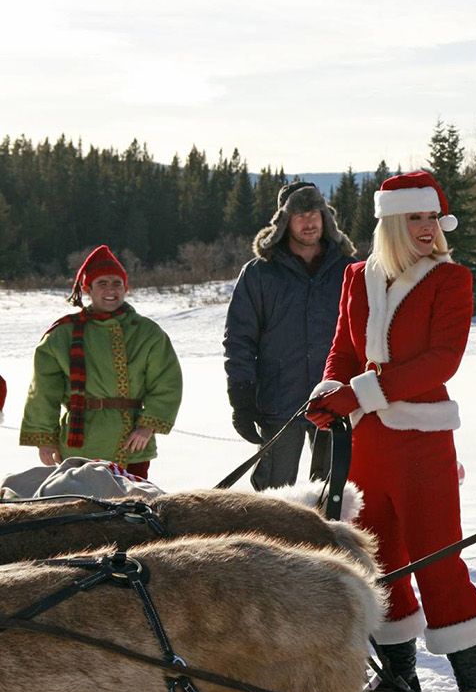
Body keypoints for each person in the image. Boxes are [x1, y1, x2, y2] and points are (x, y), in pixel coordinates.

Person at [305, 170, 476, 692]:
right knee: (377, 560)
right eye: (416, 218)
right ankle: (398, 680)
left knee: (438, 559)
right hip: (367, 446)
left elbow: (441, 362)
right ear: (392, 221)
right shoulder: (357, 277)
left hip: (421, 444)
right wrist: (328, 392)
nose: (429, 228)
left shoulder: (449, 280)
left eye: (433, 217)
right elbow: (343, 349)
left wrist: (359, 393)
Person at [224, 181, 359, 490]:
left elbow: (365, 336)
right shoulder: (260, 273)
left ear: (326, 217)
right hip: (278, 403)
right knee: (272, 498)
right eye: (299, 214)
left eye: (315, 212)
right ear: (284, 220)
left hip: (334, 400)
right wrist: (241, 398)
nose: (309, 221)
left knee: (333, 494)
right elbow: (239, 341)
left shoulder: (350, 270)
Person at [17, 245, 183, 480]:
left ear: (127, 288)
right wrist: (45, 440)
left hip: (132, 443)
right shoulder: (62, 334)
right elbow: (44, 391)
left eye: (117, 283)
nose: (110, 290)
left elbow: (167, 383)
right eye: (102, 283)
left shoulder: (148, 333)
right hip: (78, 442)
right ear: (87, 289)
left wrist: (147, 426)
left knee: (131, 509)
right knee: (78, 508)